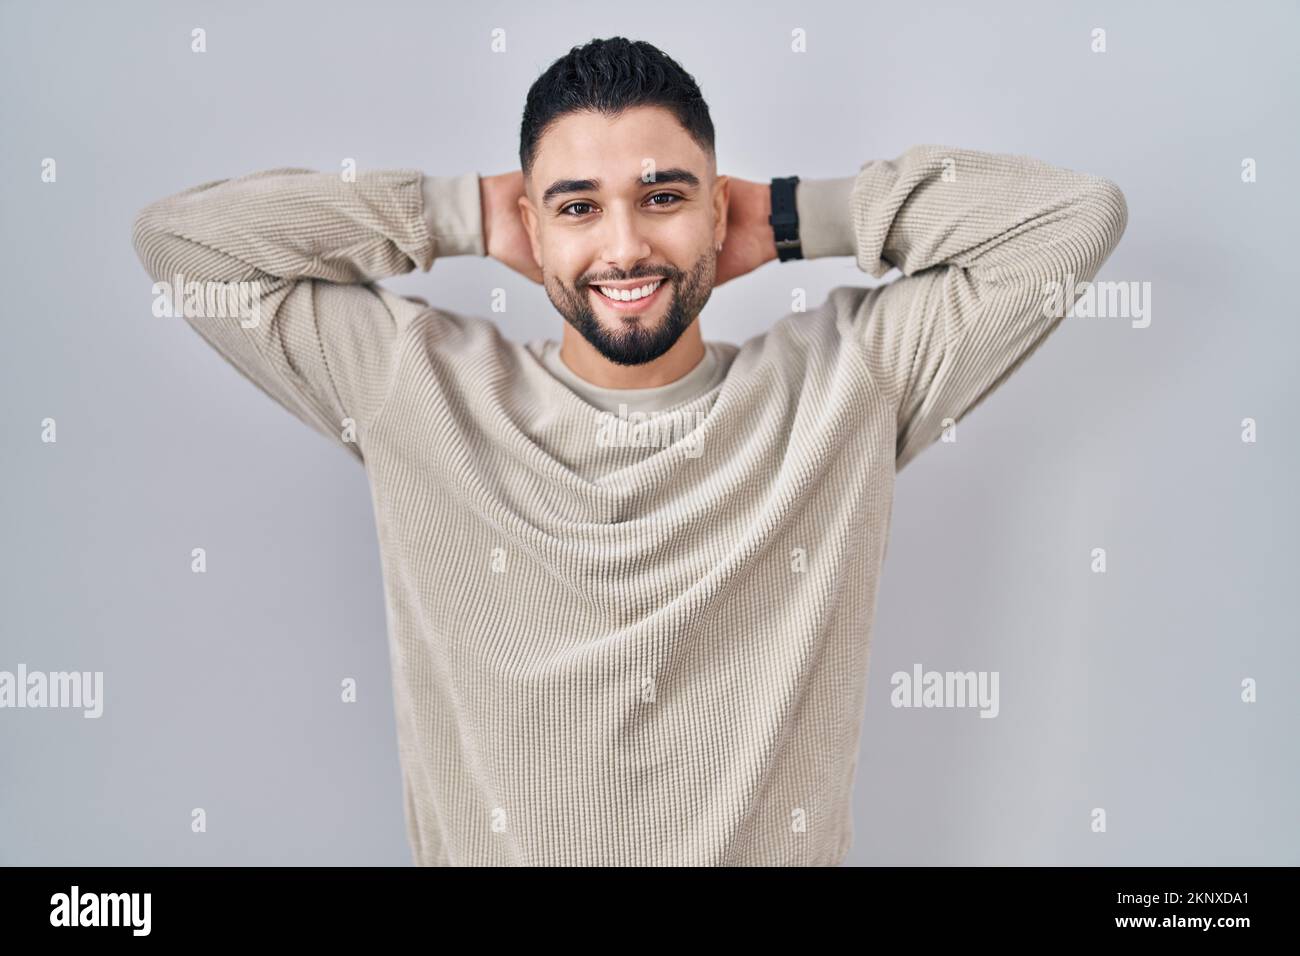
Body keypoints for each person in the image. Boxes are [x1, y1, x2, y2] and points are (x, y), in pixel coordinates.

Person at [130, 36, 1128, 866]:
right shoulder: (416, 386)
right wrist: (463, 212)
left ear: (716, 209)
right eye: (576, 207)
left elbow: (1069, 222)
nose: (622, 249)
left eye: (662, 197)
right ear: (529, 223)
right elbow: (186, 243)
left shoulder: (843, 384)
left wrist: (788, 216)